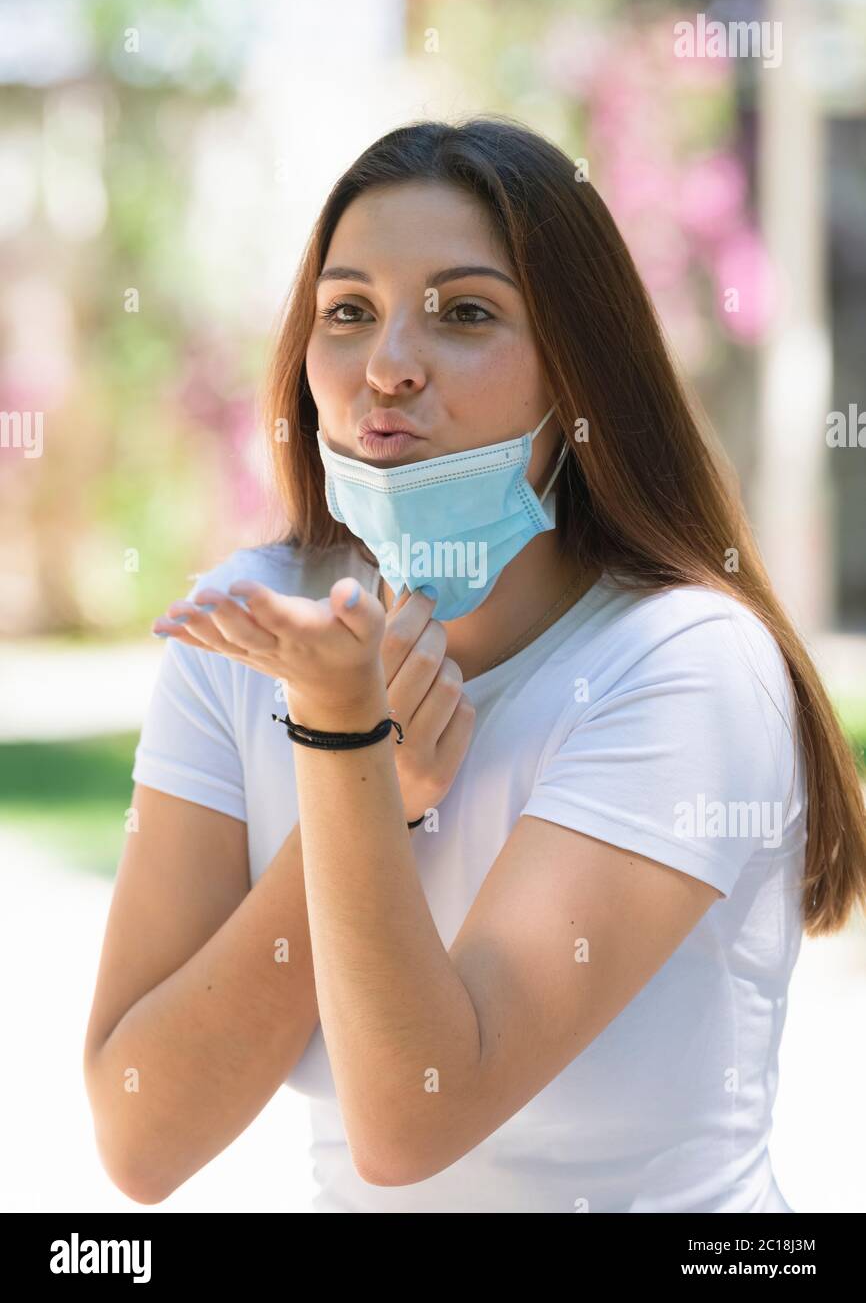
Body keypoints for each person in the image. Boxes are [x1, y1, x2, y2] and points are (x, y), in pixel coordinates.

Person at [84, 116, 866, 1213]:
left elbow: (417, 1119)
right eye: (347, 311)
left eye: (464, 313)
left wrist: (345, 749)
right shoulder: (255, 631)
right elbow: (140, 1136)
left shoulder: (686, 663)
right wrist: (363, 790)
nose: (388, 367)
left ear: (578, 373)